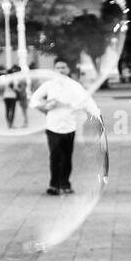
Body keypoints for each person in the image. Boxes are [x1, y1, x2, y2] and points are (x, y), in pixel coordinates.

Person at [30, 60, 100, 196]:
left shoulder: (75, 86)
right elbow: (34, 100)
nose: (60, 70)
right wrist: (45, 106)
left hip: (69, 127)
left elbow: (87, 103)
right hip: (53, 126)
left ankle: (65, 183)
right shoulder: (49, 85)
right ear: (54, 69)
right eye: (57, 67)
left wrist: (95, 115)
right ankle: (54, 185)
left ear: (68, 69)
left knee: (67, 157)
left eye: (63, 67)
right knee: (55, 156)